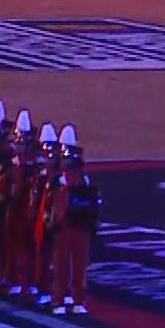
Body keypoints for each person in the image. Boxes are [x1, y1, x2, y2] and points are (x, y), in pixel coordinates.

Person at [50, 128, 99, 316]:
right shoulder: (60, 180)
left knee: (76, 266)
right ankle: (63, 299)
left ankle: (74, 300)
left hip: (77, 227)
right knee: (64, 266)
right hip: (67, 227)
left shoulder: (81, 180)